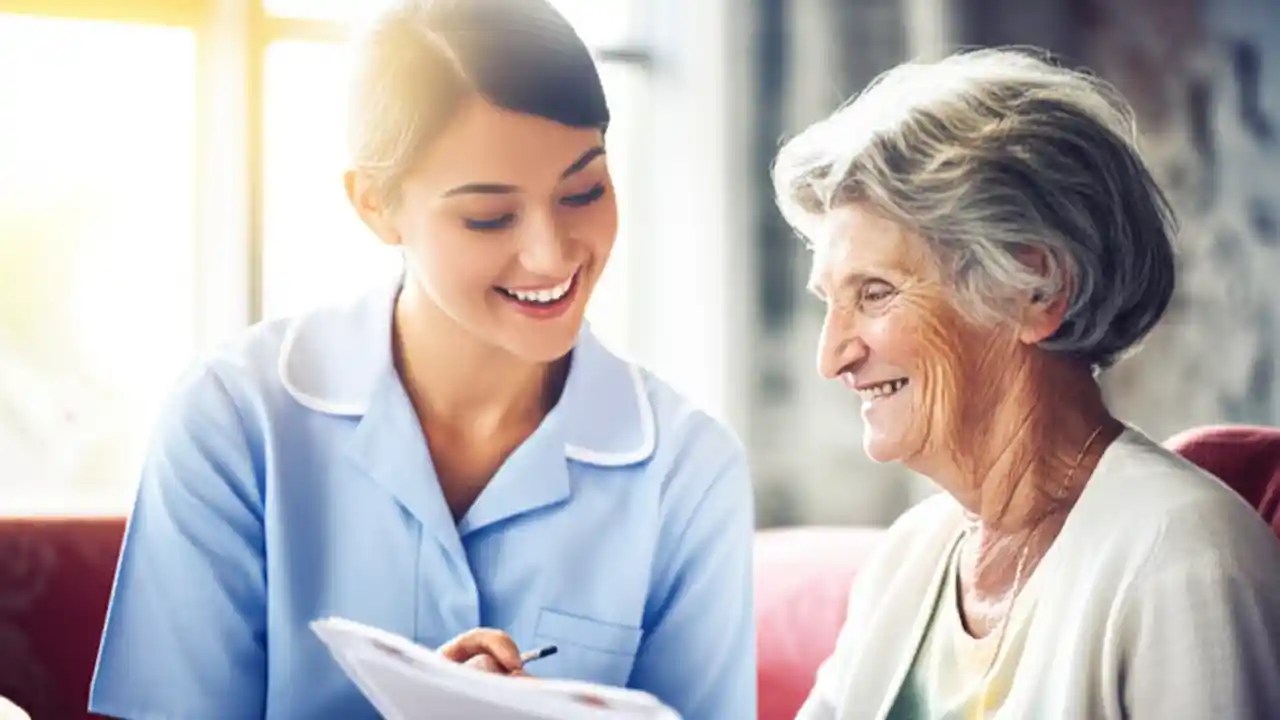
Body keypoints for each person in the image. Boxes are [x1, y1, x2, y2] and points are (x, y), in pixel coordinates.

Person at [89, 2, 755, 718]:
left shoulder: (688, 471)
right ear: (375, 205)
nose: (551, 252)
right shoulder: (233, 420)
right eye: (489, 216)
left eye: (583, 191)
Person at [772, 47, 1280, 719]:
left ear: (1035, 290)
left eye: (874, 294)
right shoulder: (910, 556)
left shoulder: (1184, 560)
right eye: (827, 301)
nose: (831, 356)